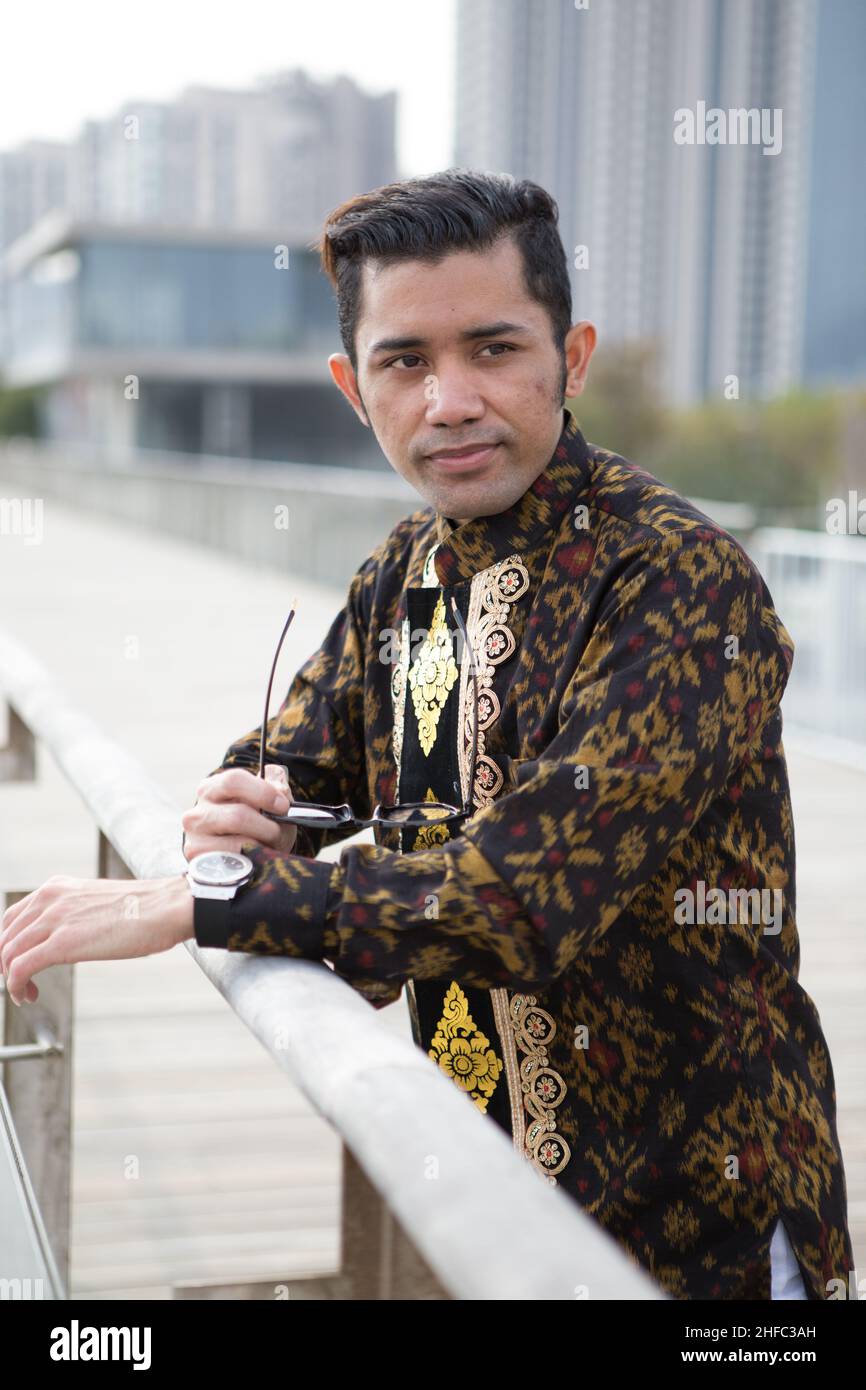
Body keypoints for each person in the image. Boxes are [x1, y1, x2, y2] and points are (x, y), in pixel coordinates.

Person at [0, 170, 852, 1302]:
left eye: (493, 348)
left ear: (572, 357)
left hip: (699, 1237)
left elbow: (520, 898)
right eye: (406, 361)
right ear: (356, 388)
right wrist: (238, 805)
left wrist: (201, 902)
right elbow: (296, 750)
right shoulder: (404, 572)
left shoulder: (677, 582)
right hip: (470, 1197)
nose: (449, 398)